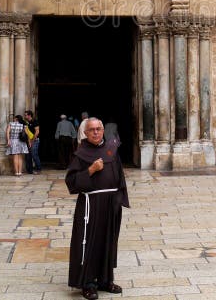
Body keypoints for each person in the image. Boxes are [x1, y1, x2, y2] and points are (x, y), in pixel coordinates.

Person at [66, 118, 129, 299]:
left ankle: (105, 280)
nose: (95, 132)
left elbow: (120, 175)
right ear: (85, 133)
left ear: (103, 131)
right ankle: (88, 283)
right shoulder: (80, 154)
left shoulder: (111, 150)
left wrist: (120, 197)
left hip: (111, 204)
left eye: (98, 129)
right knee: (90, 243)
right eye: (92, 130)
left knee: (108, 241)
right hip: (90, 205)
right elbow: (71, 183)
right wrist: (91, 170)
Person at [24, 110, 42, 174]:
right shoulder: (26, 122)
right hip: (29, 140)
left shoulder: (35, 121)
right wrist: (29, 141)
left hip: (35, 140)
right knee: (28, 155)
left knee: (34, 154)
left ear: (29, 115)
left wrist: (32, 141)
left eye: (26, 115)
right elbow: (27, 133)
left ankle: (38, 169)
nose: (25, 116)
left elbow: (37, 131)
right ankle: (30, 170)